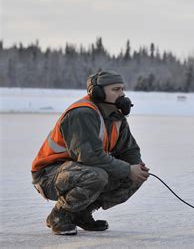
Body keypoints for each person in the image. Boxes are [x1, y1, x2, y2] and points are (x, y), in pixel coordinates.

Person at [31, 70, 150, 235]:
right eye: (116, 89)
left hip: (81, 169)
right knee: (97, 174)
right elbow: (90, 156)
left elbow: (129, 149)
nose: (122, 94)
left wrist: (136, 167)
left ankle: (81, 213)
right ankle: (60, 215)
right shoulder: (82, 113)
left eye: (122, 89)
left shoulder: (116, 116)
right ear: (98, 93)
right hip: (48, 175)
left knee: (134, 176)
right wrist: (127, 169)